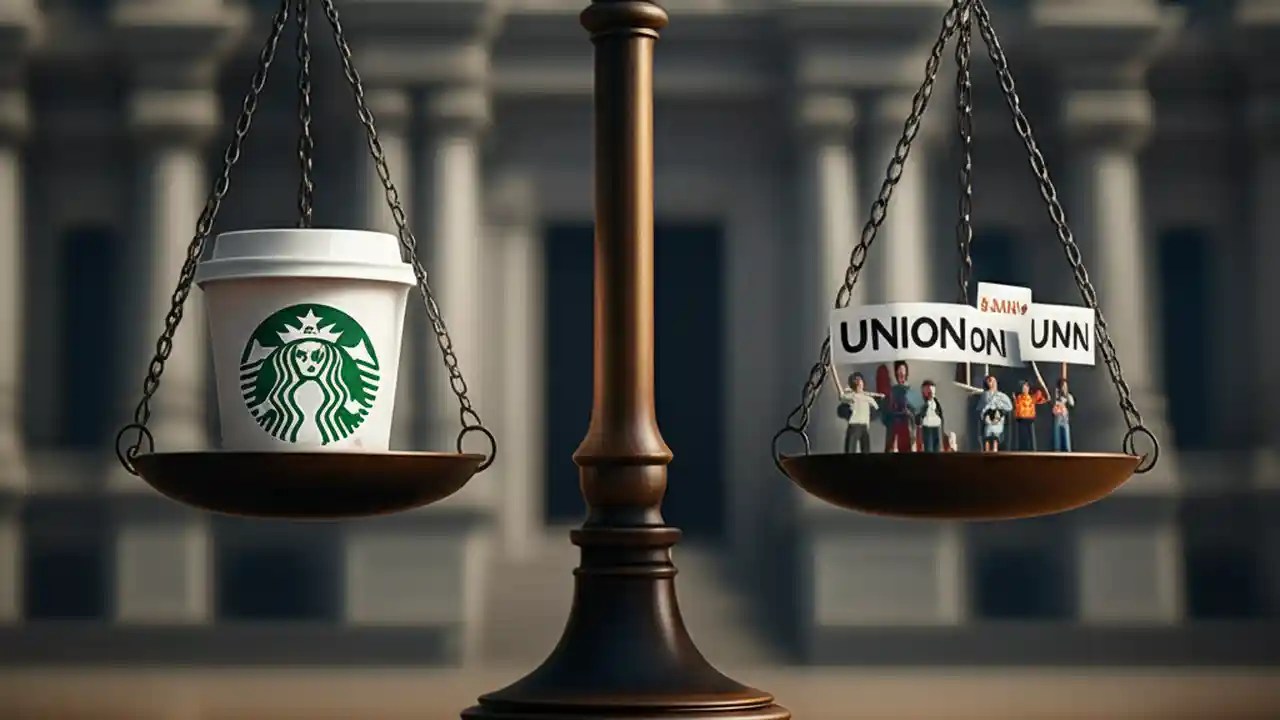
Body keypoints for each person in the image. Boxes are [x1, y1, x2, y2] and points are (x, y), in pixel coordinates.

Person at [956, 374, 1013, 452]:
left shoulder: (1002, 396)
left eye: (994, 381)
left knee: (996, 437)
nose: (992, 383)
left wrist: (999, 408)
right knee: (987, 436)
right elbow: (982, 407)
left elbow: (1008, 406)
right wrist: (985, 412)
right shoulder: (985, 395)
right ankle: (986, 452)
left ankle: (995, 450)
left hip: (997, 419)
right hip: (988, 419)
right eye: (990, 381)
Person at [837, 372, 880, 454]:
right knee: (850, 450)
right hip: (854, 425)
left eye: (860, 381)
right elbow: (841, 396)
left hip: (864, 426)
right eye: (856, 382)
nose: (859, 384)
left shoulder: (868, 398)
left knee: (866, 451)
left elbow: (877, 408)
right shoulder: (852, 396)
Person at [882, 361, 918, 453]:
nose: (901, 372)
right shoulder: (892, 391)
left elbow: (917, 410)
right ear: (896, 373)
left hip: (907, 425)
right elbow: (886, 411)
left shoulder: (910, 390)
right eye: (899, 370)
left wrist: (910, 414)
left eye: (903, 370)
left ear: (906, 372)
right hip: (894, 426)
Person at [1012, 378, 1050, 451]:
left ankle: (1032, 451)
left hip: (1030, 419)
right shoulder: (1018, 398)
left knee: (1031, 439)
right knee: (1023, 439)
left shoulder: (1032, 397)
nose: (1025, 388)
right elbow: (1016, 408)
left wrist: (1043, 388)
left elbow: (1045, 398)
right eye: (1023, 387)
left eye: (1026, 386)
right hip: (1021, 420)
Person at [915, 380, 945, 453]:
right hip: (927, 428)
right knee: (928, 449)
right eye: (928, 390)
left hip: (937, 427)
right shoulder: (921, 404)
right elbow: (918, 418)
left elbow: (941, 415)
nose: (930, 392)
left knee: (937, 447)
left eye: (932, 390)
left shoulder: (936, 403)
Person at [1051, 376, 1075, 452]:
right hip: (1058, 419)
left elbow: (1072, 403)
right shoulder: (1056, 396)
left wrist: (1066, 395)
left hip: (1065, 420)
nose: (1065, 388)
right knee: (1057, 441)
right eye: (1063, 386)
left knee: (1067, 441)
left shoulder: (1068, 396)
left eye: (1066, 386)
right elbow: (1053, 407)